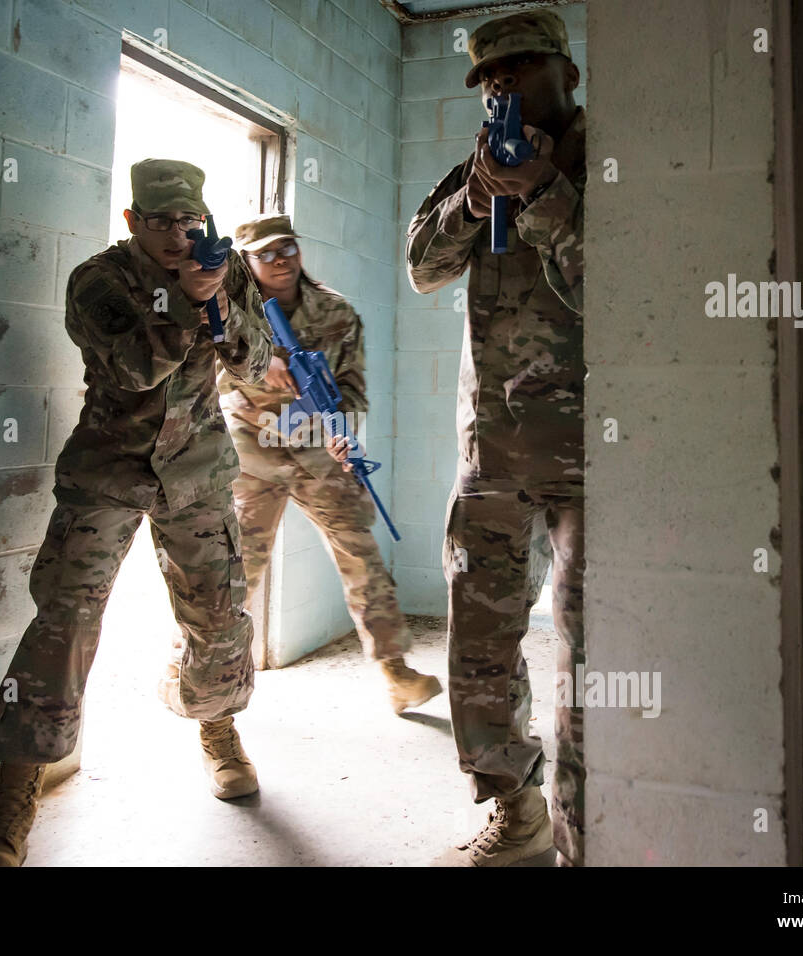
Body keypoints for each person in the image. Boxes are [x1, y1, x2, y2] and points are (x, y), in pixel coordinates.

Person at [0, 159, 273, 867]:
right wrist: (191, 307)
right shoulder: (99, 280)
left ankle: (216, 726)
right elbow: (134, 368)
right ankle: (14, 798)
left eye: (187, 221)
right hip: (107, 471)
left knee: (219, 617)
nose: (175, 235)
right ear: (133, 220)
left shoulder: (230, 269)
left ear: (203, 218)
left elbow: (258, 364)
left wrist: (222, 310)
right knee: (64, 624)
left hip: (196, 473)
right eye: (159, 222)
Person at [403, 9, 587, 867]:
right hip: (494, 452)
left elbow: (628, 286)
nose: (503, 88)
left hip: (596, 456)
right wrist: (476, 199)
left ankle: (589, 828)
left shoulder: (607, 159)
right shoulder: (476, 163)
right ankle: (516, 812)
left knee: (593, 651)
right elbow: (421, 266)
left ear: (567, 74)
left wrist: (545, 196)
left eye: (521, 69)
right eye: (489, 79)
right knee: (478, 641)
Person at [218, 213, 443, 714]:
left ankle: (395, 672)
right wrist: (261, 362)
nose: (281, 261)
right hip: (253, 457)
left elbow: (354, 386)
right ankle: (201, 678)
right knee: (234, 573)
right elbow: (209, 375)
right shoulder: (230, 313)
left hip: (318, 454)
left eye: (288, 249)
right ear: (246, 262)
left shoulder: (336, 312)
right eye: (266, 254)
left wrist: (346, 433)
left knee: (363, 555)